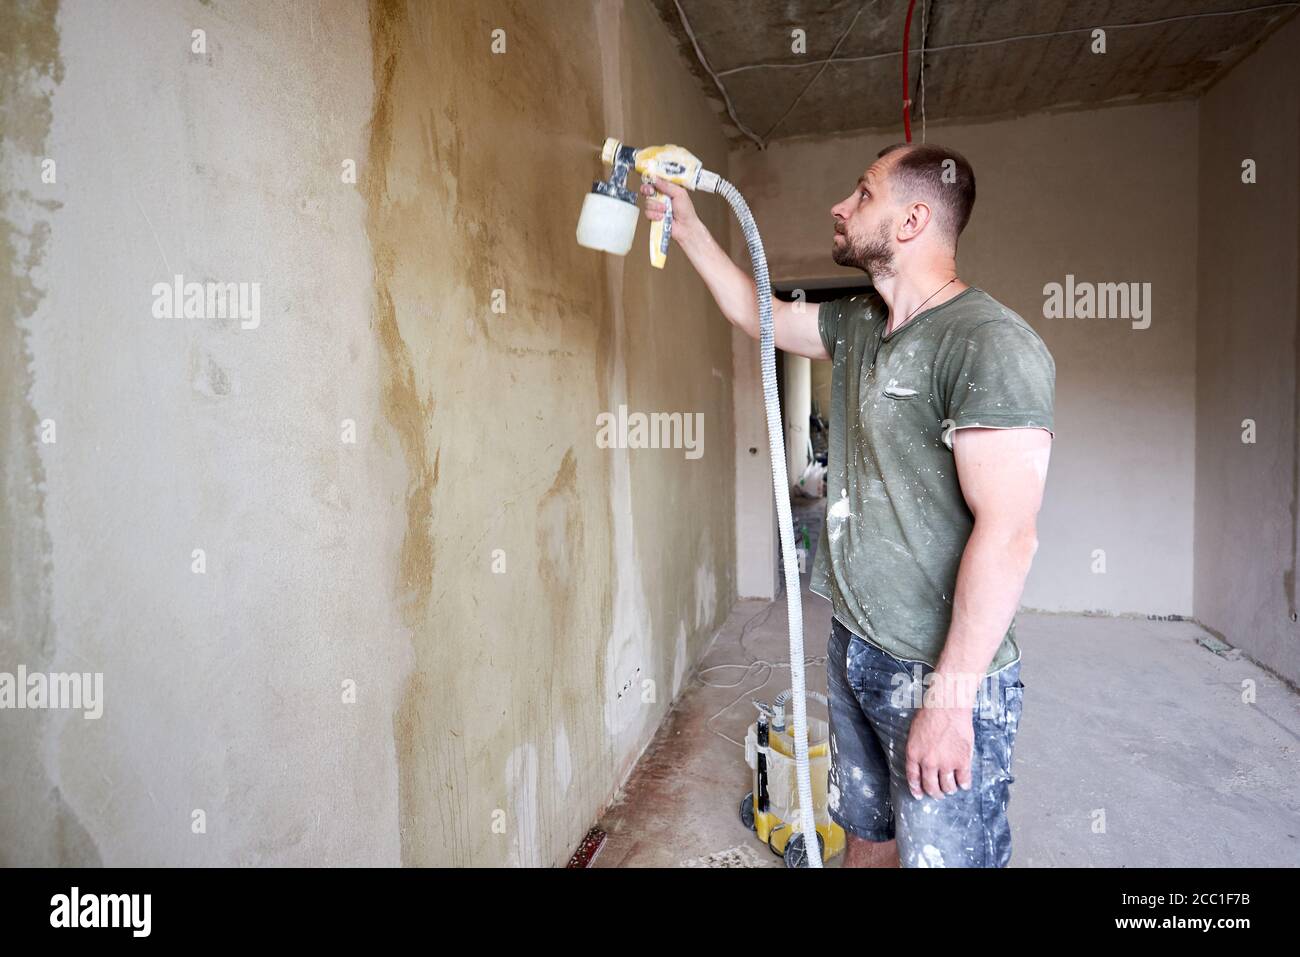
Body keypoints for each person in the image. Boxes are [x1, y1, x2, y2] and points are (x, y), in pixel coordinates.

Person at [641, 142, 1055, 868]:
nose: (840, 206)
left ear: (913, 219)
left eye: (862, 194)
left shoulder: (988, 344)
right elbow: (758, 313)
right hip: (854, 642)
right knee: (866, 829)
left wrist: (951, 703)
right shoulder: (861, 322)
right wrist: (688, 227)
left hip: (936, 669)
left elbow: (1009, 535)